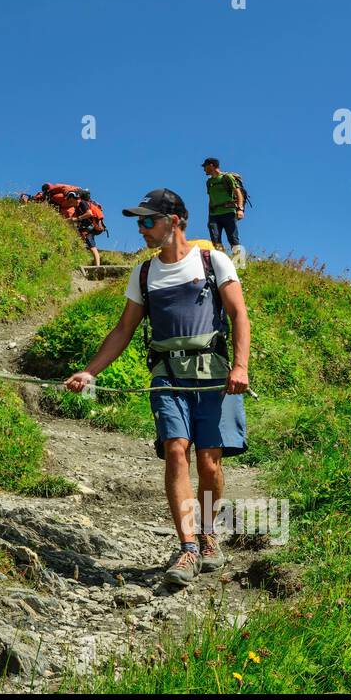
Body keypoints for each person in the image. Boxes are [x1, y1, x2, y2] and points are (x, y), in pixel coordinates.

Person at [63, 188, 251, 589]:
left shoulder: (211, 261)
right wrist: (90, 372)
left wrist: (239, 366)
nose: (142, 229)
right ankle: (187, 545)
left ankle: (208, 533)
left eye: (149, 221)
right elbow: (123, 330)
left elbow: (238, 314)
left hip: (214, 373)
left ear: (175, 220)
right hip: (166, 374)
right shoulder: (143, 273)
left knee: (209, 463)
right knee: (176, 450)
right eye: (139, 222)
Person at [202, 158, 244, 253]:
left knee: (233, 239)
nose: (204, 169)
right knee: (215, 240)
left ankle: (239, 263)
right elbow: (210, 199)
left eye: (205, 166)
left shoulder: (227, 177)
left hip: (228, 212)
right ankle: (221, 260)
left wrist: (240, 209)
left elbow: (238, 193)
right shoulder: (209, 182)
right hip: (214, 215)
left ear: (211, 165)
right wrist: (209, 217)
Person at [67, 191, 103, 268]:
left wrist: (76, 219)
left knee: (92, 247)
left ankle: (97, 267)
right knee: (87, 244)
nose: (69, 202)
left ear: (75, 198)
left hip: (92, 226)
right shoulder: (77, 207)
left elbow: (89, 213)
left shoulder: (82, 203)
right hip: (89, 227)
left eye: (70, 200)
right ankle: (93, 264)